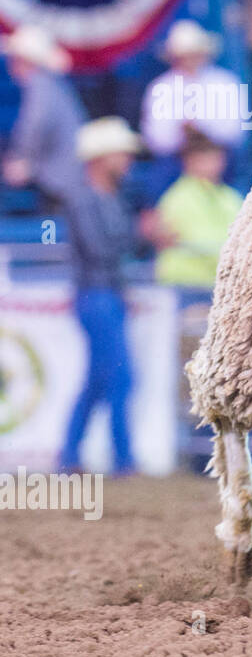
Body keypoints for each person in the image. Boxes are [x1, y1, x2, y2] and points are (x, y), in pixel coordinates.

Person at [59, 117, 166, 475]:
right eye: (121, 154)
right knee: (119, 378)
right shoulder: (87, 200)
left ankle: (71, 456)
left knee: (98, 379)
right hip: (97, 295)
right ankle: (123, 459)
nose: (128, 161)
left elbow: (105, 250)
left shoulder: (99, 198)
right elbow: (101, 250)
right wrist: (142, 233)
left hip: (102, 296)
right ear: (101, 158)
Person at [138, 19, 248, 202]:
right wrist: (181, 131)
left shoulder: (225, 83)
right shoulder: (160, 87)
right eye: (183, 55)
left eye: (193, 54)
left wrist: (202, 128)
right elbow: (155, 138)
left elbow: (236, 130)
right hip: (176, 161)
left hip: (220, 156)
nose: (189, 60)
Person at [1, 25, 87, 206]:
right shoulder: (52, 84)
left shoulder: (40, 85)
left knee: (50, 229)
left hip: (57, 181)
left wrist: (23, 160)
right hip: (65, 176)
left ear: (23, 60)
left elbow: (36, 125)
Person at [153, 127, 244, 295]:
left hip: (217, 285)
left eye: (216, 157)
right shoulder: (177, 198)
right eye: (205, 158)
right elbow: (198, 240)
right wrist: (236, 253)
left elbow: (242, 236)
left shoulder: (229, 197)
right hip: (184, 285)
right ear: (189, 161)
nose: (214, 163)